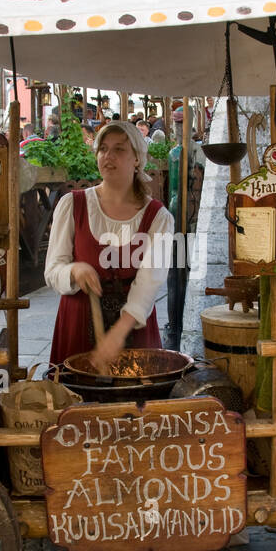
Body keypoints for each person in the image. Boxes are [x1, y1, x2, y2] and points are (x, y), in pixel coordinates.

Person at [45, 121, 175, 369]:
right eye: (103, 149)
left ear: (137, 158)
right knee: (76, 400)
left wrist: (118, 332)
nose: (108, 156)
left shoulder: (158, 217)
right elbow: (52, 270)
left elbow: (149, 282)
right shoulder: (73, 205)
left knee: (135, 404)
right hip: (78, 326)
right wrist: (74, 270)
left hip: (134, 330)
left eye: (119, 149)